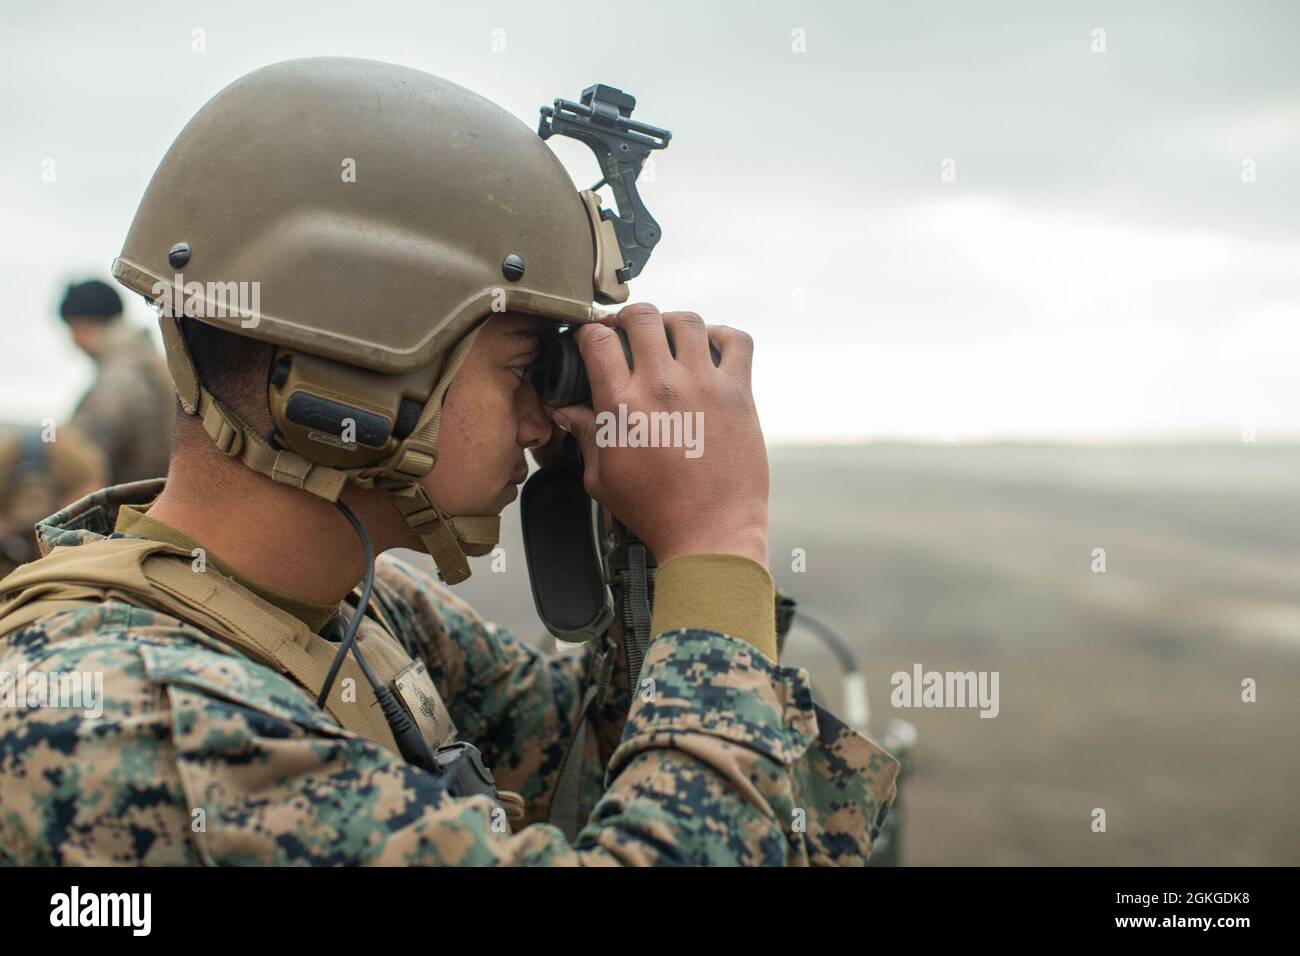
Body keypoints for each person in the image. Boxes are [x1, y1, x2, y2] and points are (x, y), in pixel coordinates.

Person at [0, 58, 897, 866]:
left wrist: (657, 552)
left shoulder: (349, 608)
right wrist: (718, 540)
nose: (546, 419)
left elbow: (596, 768)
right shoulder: (122, 719)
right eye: (522, 367)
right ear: (350, 374)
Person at [59, 278, 175, 485]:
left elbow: (79, 466)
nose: (72, 340)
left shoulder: (119, 377)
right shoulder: (151, 364)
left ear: (84, 324)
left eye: (71, 327)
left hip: (123, 508)